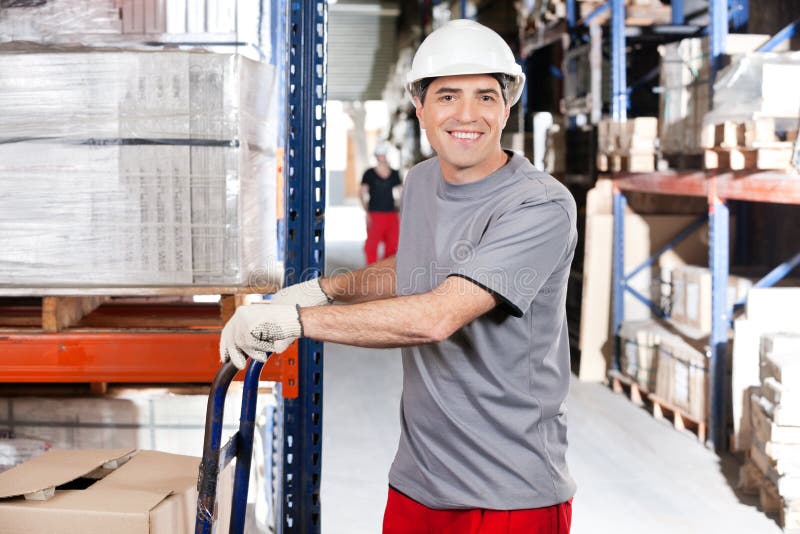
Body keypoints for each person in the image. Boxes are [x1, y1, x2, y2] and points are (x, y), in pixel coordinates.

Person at [220, 19, 577, 534]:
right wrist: (324, 290)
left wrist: (294, 323)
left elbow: (436, 316)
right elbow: (417, 266)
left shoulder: (539, 204)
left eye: (485, 97)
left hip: (508, 491)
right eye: (448, 96)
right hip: (419, 478)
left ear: (506, 106)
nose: (467, 115)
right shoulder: (423, 180)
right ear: (421, 107)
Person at [361, 142, 402, 264]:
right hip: (375, 214)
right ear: (376, 156)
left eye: (384, 154)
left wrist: (400, 209)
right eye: (380, 154)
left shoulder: (394, 173)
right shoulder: (369, 173)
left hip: (392, 213)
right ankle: (371, 269)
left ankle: (386, 271)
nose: (382, 157)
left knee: (393, 245)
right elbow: (362, 193)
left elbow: (401, 191)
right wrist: (366, 211)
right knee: (371, 246)